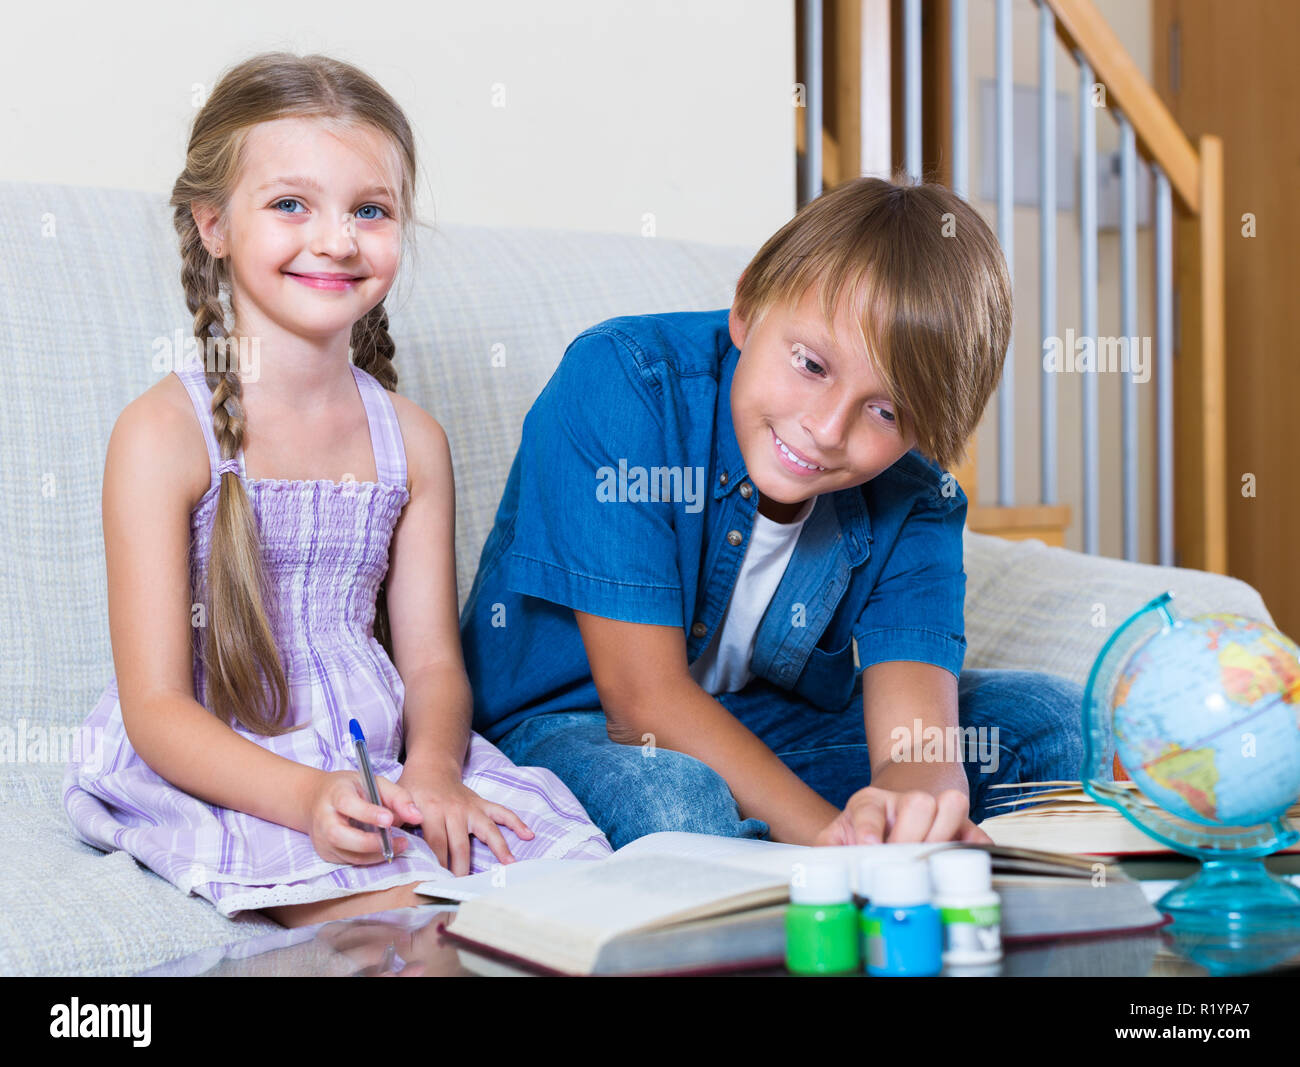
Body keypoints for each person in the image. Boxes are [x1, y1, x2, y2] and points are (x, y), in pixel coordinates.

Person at [63, 52, 611, 928]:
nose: (337, 238)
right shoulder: (163, 435)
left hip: (381, 754)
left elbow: (431, 660)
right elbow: (158, 707)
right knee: (423, 918)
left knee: (569, 882)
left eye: (370, 209)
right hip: (231, 761)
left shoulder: (412, 442)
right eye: (290, 204)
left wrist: (432, 773)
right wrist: (308, 796)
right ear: (213, 224)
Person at [461, 175, 1085, 850]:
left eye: (886, 411)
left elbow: (915, 748)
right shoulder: (622, 384)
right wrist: (839, 844)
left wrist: (916, 817)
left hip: (766, 728)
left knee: (1052, 722)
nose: (824, 427)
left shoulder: (915, 498)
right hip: (570, 726)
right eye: (812, 364)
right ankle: (775, 866)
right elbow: (644, 704)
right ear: (748, 306)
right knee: (677, 801)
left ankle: (771, 858)